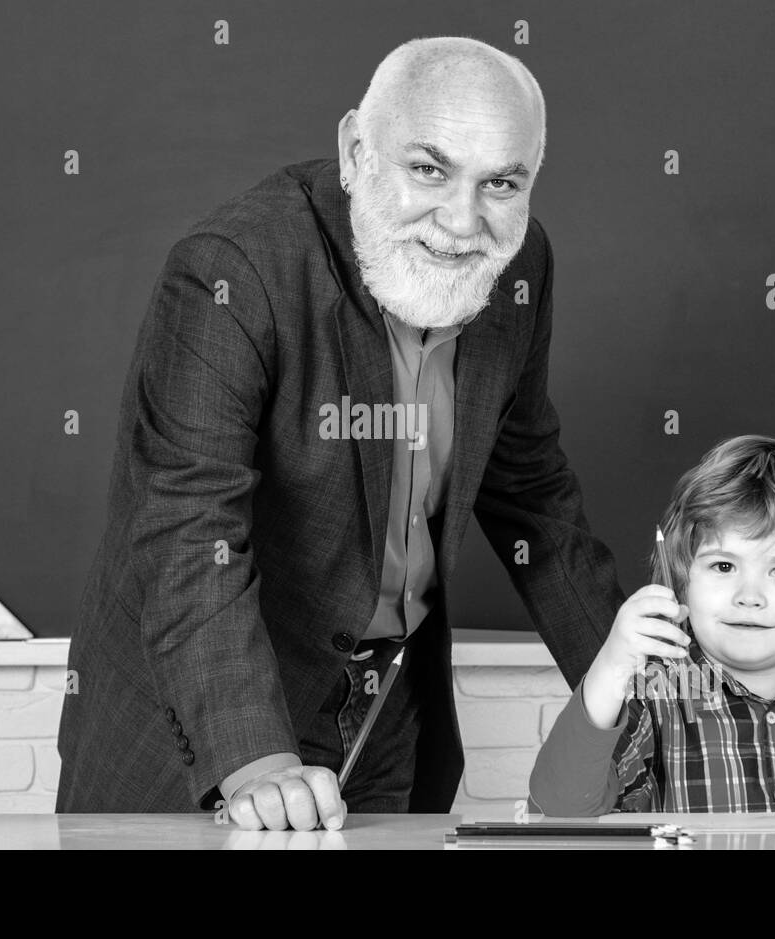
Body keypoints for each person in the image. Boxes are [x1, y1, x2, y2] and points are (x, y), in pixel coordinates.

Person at [55, 35, 626, 830]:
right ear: (357, 150)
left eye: (502, 182)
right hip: (203, 726)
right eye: (428, 168)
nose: (463, 222)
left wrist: (653, 702)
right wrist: (256, 758)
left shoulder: (520, 265)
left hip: (387, 720)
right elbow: (187, 527)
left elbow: (530, 493)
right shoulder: (232, 271)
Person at [530, 434, 775, 815]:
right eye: (723, 566)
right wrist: (613, 664)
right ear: (683, 580)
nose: (749, 595)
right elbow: (559, 812)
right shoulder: (648, 709)